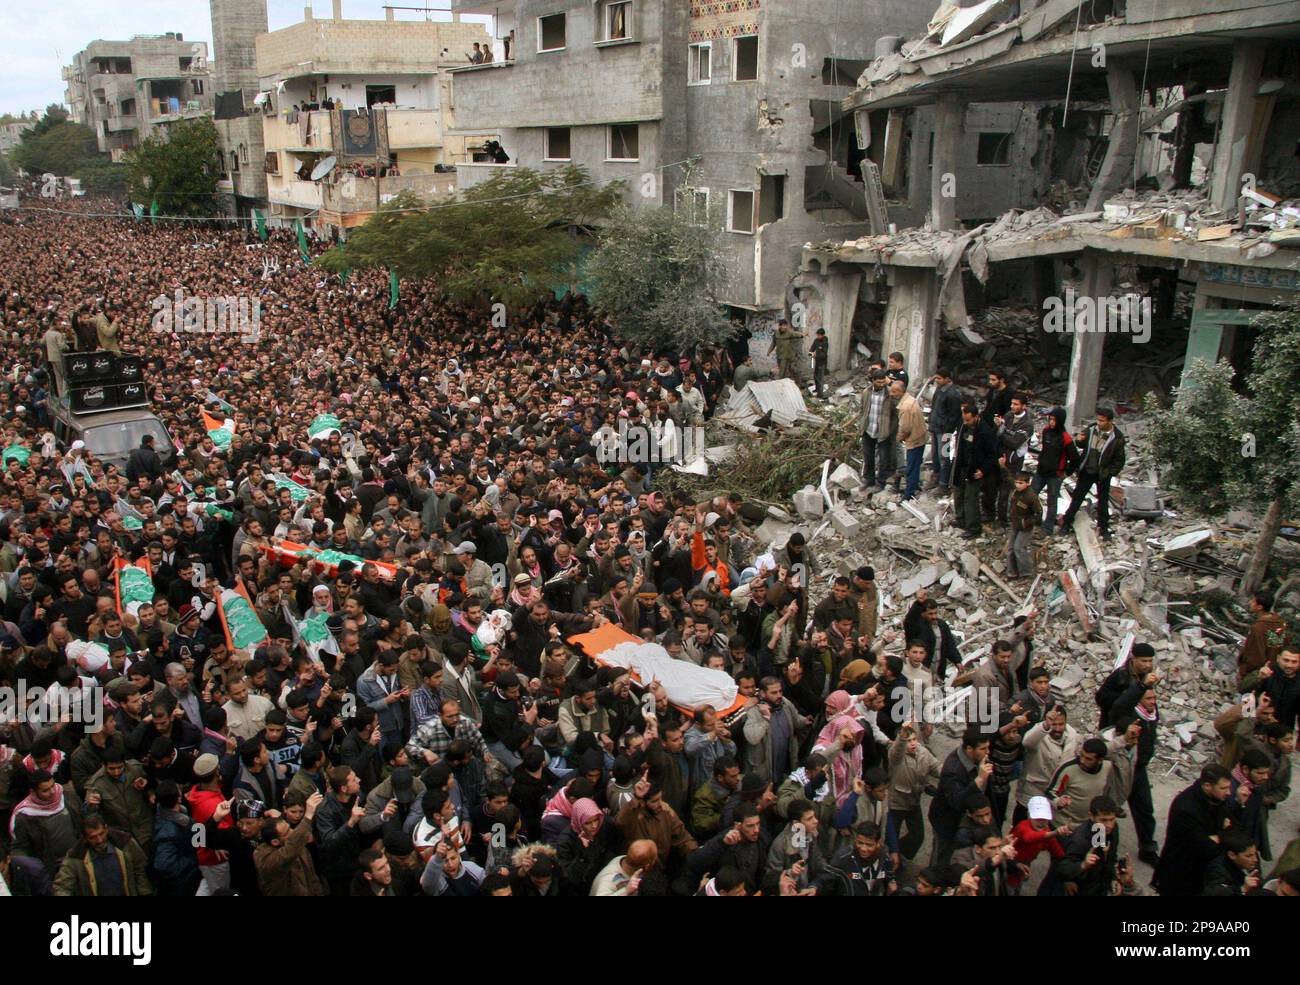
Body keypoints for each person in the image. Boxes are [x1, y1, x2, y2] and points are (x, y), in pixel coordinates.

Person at [1154, 764, 1233, 897]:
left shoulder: (1217, 798)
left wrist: (1218, 836)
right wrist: (1223, 834)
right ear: (1207, 786)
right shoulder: (1185, 808)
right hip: (1180, 873)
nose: (1229, 792)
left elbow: (1230, 824)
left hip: (1201, 872)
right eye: (1224, 788)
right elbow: (1207, 848)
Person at [1058, 406, 1126, 540]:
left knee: (1103, 501)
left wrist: (1109, 473)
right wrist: (1079, 440)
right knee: (1077, 498)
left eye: (1102, 421)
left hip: (1102, 474)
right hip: (1087, 471)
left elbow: (1119, 460)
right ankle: (1066, 523)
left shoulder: (1117, 438)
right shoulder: (1091, 429)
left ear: (1110, 421)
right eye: (1098, 420)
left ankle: (1104, 528)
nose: (1099, 423)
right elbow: (1081, 445)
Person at [951, 402, 997, 539]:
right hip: (962, 465)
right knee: (958, 493)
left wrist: (983, 470)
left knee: (970, 499)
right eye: (965, 419)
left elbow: (992, 455)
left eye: (969, 419)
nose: (966, 422)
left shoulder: (984, 432)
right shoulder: (964, 427)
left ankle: (973, 527)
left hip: (975, 469)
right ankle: (961, 520)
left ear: (976, 417)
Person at [858, 369, 898, 492]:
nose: (881, 384)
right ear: (873, 381)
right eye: (879, 382)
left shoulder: (890, 394)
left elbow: (895, 414)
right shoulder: (866, 392)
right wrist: (862, 426)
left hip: (883, 431)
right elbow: (862, 409)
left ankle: (880, 482)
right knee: (868, 457)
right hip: (868, 429)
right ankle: (868, 479)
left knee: (883, 459)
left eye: (883, 382)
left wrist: (890, 430)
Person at [892, 378, 927, 501]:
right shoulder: (911, 399)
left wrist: (898, 438)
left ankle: (909, 493)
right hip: (921, 436)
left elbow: (905, 428)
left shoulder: (905, 407)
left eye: (894, 392)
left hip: (914, 439)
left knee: (912, 466)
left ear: (900, 392)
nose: (892, 394)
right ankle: (915, 485)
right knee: (916, 464)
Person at [809, 328, 828, 398]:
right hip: (817, 362)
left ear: (823, 335)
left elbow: (824, 354)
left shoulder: (825, 342)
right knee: (815, 376)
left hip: (822, 363)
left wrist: (816, 356)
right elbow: (812, 348)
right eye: (817, 335)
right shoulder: (816, 340)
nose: (818, 336)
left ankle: (820, 394)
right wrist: (810, 353)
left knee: (820, 378)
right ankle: (817, 389)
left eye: (819, 335)